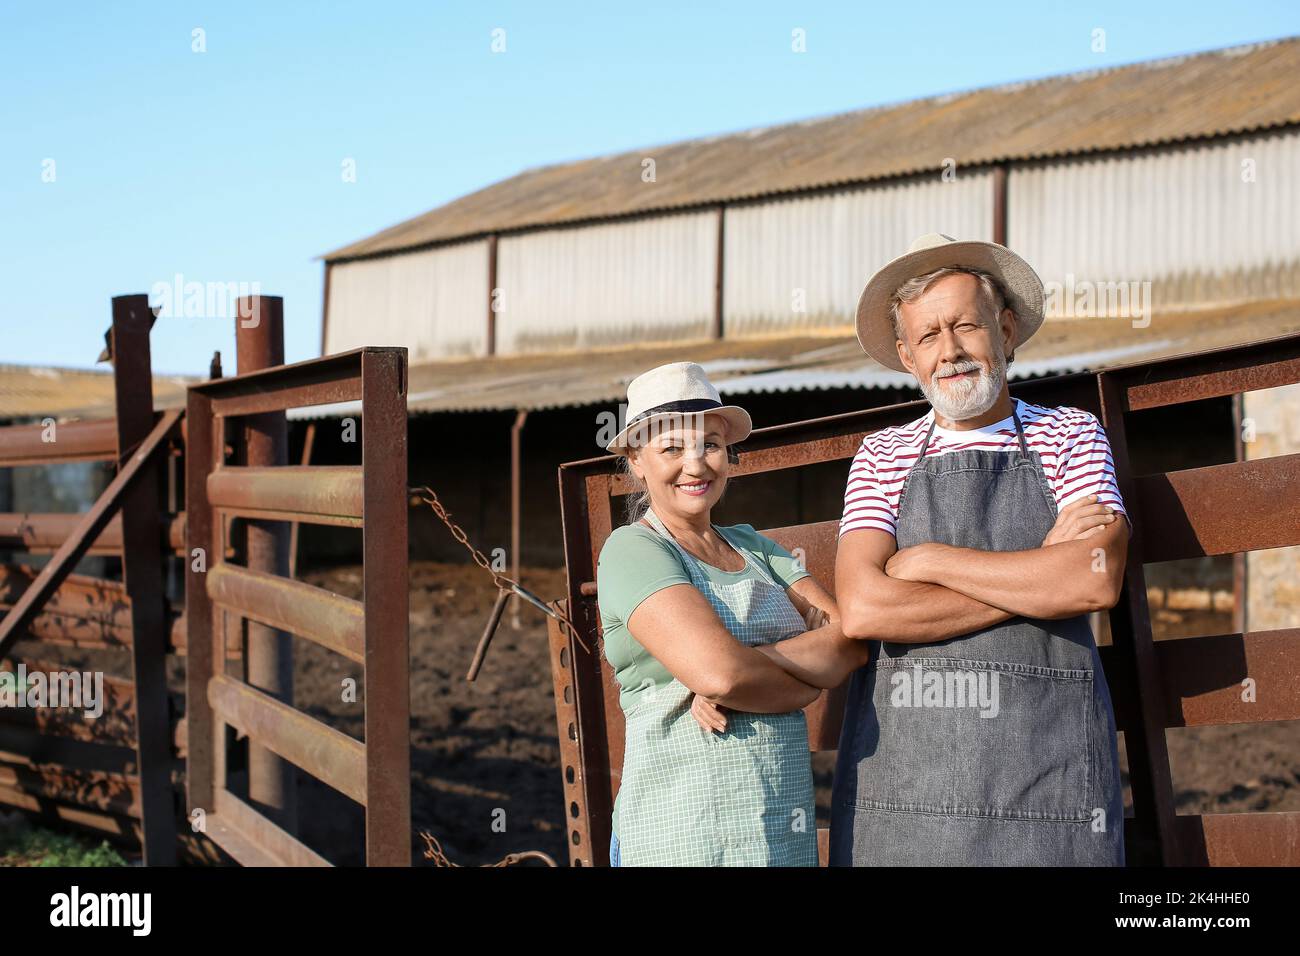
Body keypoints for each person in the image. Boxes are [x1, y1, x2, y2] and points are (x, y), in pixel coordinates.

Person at [832, 233, 1129, 866]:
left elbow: (1093, 579)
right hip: (910, 789)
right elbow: (863, 607)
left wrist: (929, 562)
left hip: (1047, 773)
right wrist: (1038, 575)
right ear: (908, 356)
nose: (951, 351)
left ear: (1006, 329)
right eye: (929, 336)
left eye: (966, 325)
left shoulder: (1070, 433)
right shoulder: (881, 455)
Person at [596, 362, 869, 866]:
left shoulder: (754, 546)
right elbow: (721, 674)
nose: (696, 465)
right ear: (636, 460)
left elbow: (849, 641)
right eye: (671, 448)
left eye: (710, 445)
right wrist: (805, 682)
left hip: (778, 825)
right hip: (680, 831)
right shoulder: (633, 549)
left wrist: (748, 664)